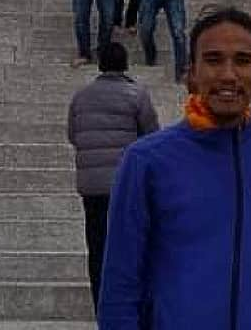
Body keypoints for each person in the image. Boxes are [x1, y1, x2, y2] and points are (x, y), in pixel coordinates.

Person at [98, 7, 251, 329]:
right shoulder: (147, 160)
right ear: (191, 72)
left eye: (243, 60)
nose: (229, 75)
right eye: (214, 59)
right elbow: (120, 281)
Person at [66, 42, 159, 315]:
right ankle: (129, 307)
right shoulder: (136, 95)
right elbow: (152, 138)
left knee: (97, 248)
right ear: (125, 64)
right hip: (125, 185)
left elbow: (74, 135)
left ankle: (102, 307)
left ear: (101, 64)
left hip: (92, 186)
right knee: (129, 246)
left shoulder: (81, 96)